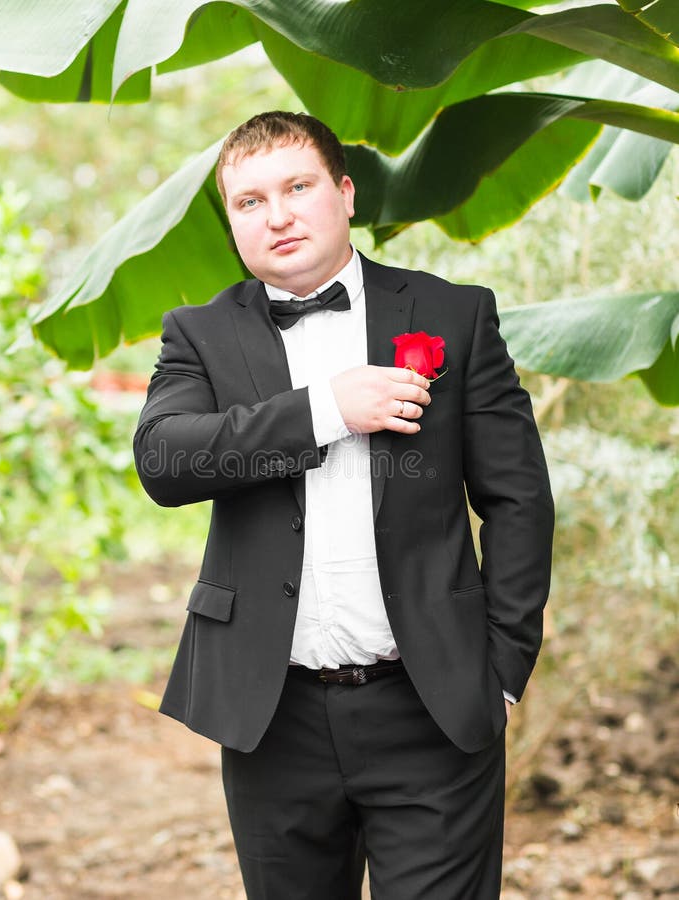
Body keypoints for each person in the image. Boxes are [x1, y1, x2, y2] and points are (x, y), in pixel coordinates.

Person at [134, 110, 554, 899]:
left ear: (346, 194)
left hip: (432, 703)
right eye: (250, 201)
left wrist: (502, 667)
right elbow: (164, 461)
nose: (278, 214)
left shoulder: (452, 315)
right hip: (272, 714)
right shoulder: (199, 336)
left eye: (298, 187)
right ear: (232, 221)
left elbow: (519, 497)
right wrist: (327, 408)